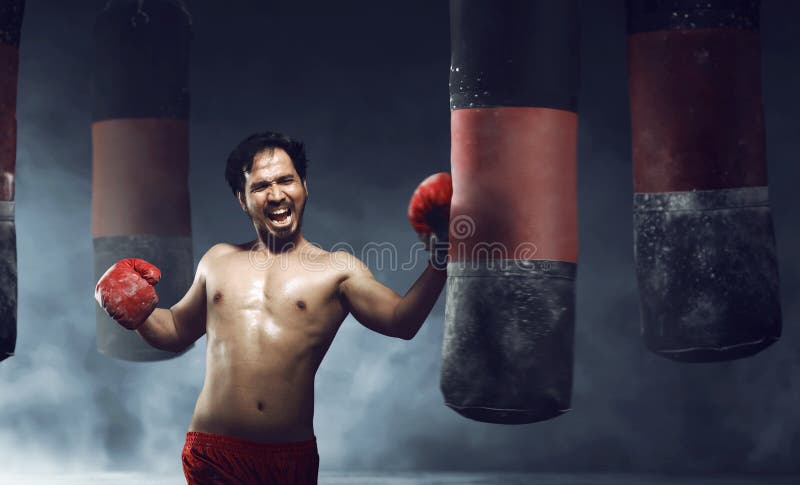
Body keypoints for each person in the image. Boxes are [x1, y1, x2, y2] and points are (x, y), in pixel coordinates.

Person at [94, 131, 452, 484]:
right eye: (261, 186)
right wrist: (138, 312)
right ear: (242, 200)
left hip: (287, 459)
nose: (276, 194)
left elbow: (401, 321)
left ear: (304, 187)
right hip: (213, 452)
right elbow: (174, 330)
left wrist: (440, 260)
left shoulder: (338, 270)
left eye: (286, 180)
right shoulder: (217, 260)